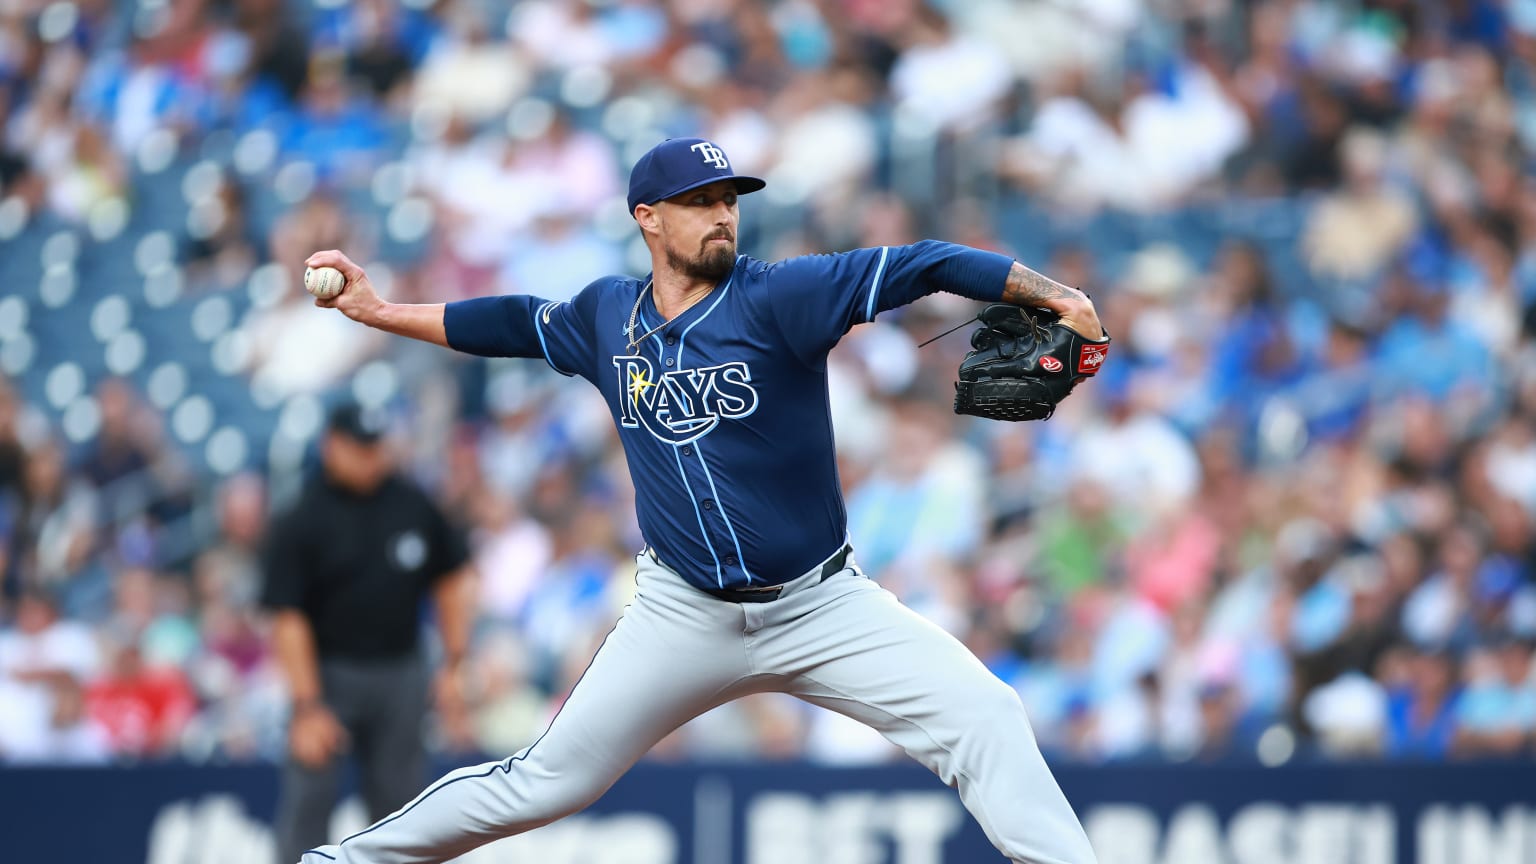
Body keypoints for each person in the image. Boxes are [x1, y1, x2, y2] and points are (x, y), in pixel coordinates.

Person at [299, 137, 1103, 864]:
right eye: (699, 202)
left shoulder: (782, 295)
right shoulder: (606, 316)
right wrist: (379, 311)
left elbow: (924, 263)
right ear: (648, 218)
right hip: (682, 613)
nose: (722, 215)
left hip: (821, 605)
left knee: (986, 713)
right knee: (543, 781)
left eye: (729, 200)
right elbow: (512, 322)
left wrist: (1055, 295)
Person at [262, 402, 476, 864]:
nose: (371, 458)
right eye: (360, 447)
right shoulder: (303, 516)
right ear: (331, 446)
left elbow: (453, 577)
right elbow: (287, 617)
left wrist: (454, 662)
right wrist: (306, 705)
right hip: (328, 674)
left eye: (376, 447)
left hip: (402, 672)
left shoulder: (412, 503)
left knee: (403, 807)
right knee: (309, 802)